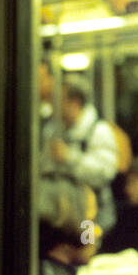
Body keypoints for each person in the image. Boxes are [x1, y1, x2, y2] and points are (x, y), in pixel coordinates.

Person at [45, 77, 119, 232]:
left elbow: (105, 173)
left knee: (87, 246)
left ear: (75, 102)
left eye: (58, 99)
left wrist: (69, 157)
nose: (53, 104)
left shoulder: (98, 131)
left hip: (92, 217)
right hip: (61, 216)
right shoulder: (52, 131)